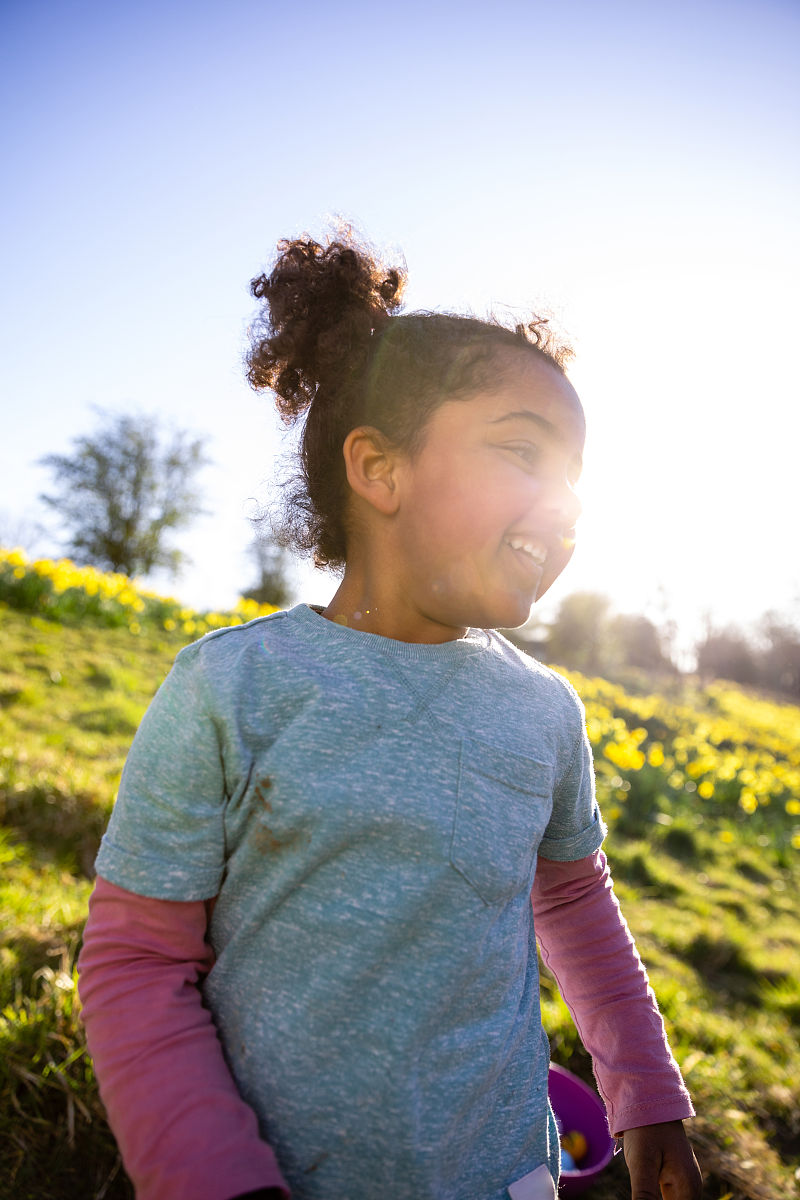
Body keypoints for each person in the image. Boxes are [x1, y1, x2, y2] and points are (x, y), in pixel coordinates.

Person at [78, 230, 703, 1200]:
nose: (565, 504)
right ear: (379, 471)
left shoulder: (542, 711)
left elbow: (574, 903)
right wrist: (217, 1182)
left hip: (505, 1174)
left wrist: (643, 1093)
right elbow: (134, 965)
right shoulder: (233, 690)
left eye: (573, 475)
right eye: (522, 451)